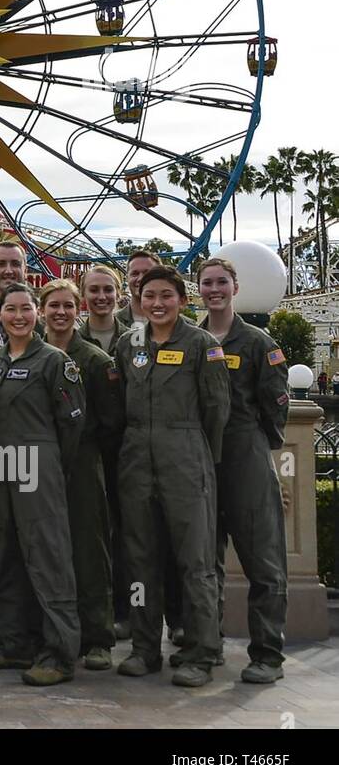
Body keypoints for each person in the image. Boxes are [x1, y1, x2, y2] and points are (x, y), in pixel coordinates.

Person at [113, 265, 230, 687]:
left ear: (182, 300)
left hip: (186, 459)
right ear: (139, 301)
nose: (157, 303)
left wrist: (200, 459)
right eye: (149, 296)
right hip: (136, 464)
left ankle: (201, 652)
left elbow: (217, 410)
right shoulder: (129, 345)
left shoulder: (201, 345)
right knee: (140, 562)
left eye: (166, 295)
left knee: (196, 564)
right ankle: (144, 648)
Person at [0, 283, 84, 686]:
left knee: (47, 555)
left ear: (36, 314)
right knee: (3, 552)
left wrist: (47, 465)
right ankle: (12, 642)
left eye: (26, 309)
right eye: (10, 309)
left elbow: (72, 427)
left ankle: (59, 652)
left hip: (38, 465)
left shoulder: (54, 362)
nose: (18, 316)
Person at [197, 257, 289, 683]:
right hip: (200, 457)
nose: (214, 290)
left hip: (244, 452)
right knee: (202, 559)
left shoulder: (258, 343)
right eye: (207, 283)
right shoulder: (190, 339)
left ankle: (267, 654)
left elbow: (276, 405)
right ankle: (206, 644)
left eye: (221, 282)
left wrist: (258, 449)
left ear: (235, 287)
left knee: (262, 560)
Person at [40, 279, 124, 671]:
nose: (60, 313)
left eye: (67, 306)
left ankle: (97, 637)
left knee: (90, 551)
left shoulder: (94, 361)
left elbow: (111, 423)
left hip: (83, 463)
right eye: (53, 305)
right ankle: (52, 632)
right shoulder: (27, 355)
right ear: (42, 310)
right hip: (38, 464)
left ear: (79, 311)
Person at [79, 263, 132, 640]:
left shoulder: (135, 341)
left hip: (126, 451)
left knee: (126, 532)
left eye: (107, 291)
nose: (101, 297)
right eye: (94, 290)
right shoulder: (65, 338)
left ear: (119, 294)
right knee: (90, 533)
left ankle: (125, 611)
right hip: (85, 451)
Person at [116, 250, 158, 328]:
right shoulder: (113, 323)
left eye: (147, 273)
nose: (140, 279)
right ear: (127, 278)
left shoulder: (180, 326)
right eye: (135, 274)